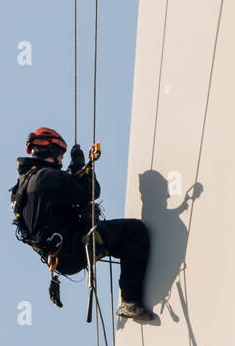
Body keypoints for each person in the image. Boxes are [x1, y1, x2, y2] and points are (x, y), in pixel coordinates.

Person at [10, 127, 155, 323]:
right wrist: (80, 166)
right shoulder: (47, 178)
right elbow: (91, 191)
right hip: (74, 248)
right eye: (59, 155)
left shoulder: (23, 186)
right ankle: (130, 301)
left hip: (59, 255)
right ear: (50, 152)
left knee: (117, 239)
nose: (61, 161)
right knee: (133, 232)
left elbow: (63, 190)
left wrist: (75, 170)